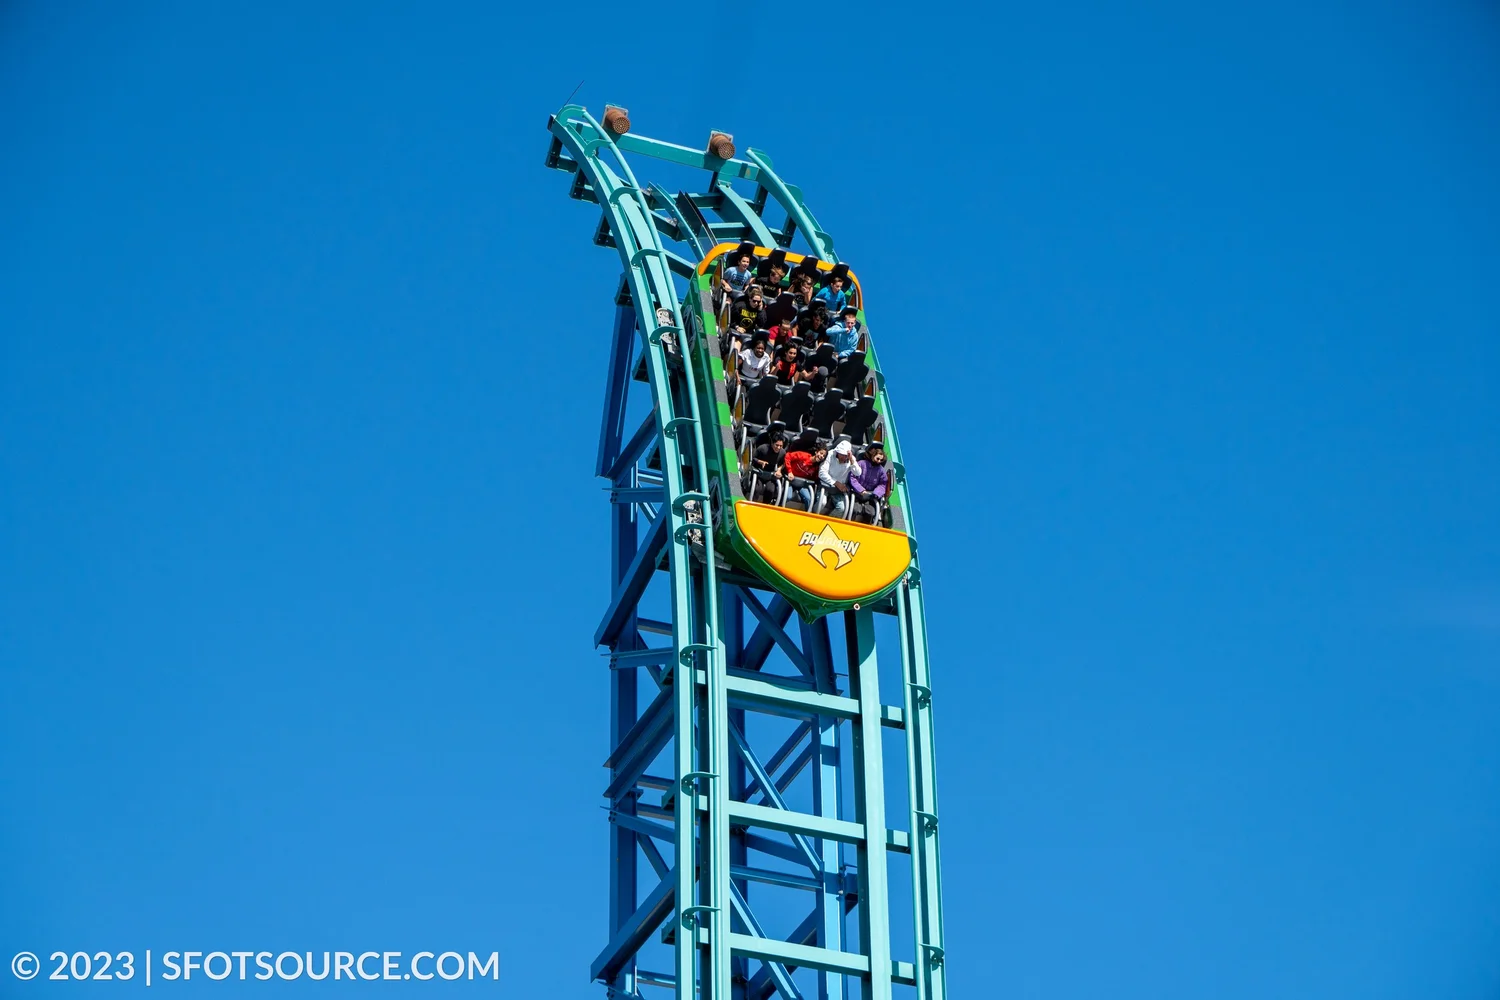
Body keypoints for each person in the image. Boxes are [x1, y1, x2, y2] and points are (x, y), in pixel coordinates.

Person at [849, 443, 890, 521]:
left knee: (870, 512)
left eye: (881, 460)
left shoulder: (881, 471)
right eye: (878, 458)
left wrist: (876, 493)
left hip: (870, 495)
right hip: (856, 493)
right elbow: (852, 477)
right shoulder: (861, 463)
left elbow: (883, 484)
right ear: (873, 456)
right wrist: (860, 489)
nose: (879, 461)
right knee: (855, 509)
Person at [818, 440, 857, 516]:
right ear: (838, 452)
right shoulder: (830, 454)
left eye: (845, 455)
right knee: (822, 502)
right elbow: (821, 473)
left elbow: (858, 473)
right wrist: (836, 483)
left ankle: (827, 520)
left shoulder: (851, 459)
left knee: (842, 508)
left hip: (837, 490)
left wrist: (851, 460)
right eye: (842, 454)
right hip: (825, 485)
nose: (843, 457)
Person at [784, 444, 826, 510]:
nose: (821, 456)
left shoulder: (816, 468)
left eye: (823, 456)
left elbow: (814, 479)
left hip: (802, 484)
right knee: (788, 496)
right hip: (790, 480)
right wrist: (789, 471)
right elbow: (788, 456)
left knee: (808, 499)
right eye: (821, 453)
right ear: (816, 452)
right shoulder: (803, 455)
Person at [747, 436, 786, 502]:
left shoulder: (782, 452)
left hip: (770, 474)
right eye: (777, 445)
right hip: (759, 472)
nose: (778, 447)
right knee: (757, 489)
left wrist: (779, 470)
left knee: (770, 490)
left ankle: (765, 506)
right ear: (772, 443)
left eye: (780, 446)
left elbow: (783, 464)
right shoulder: (763, 448)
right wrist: (760, 462)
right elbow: (753, 459)